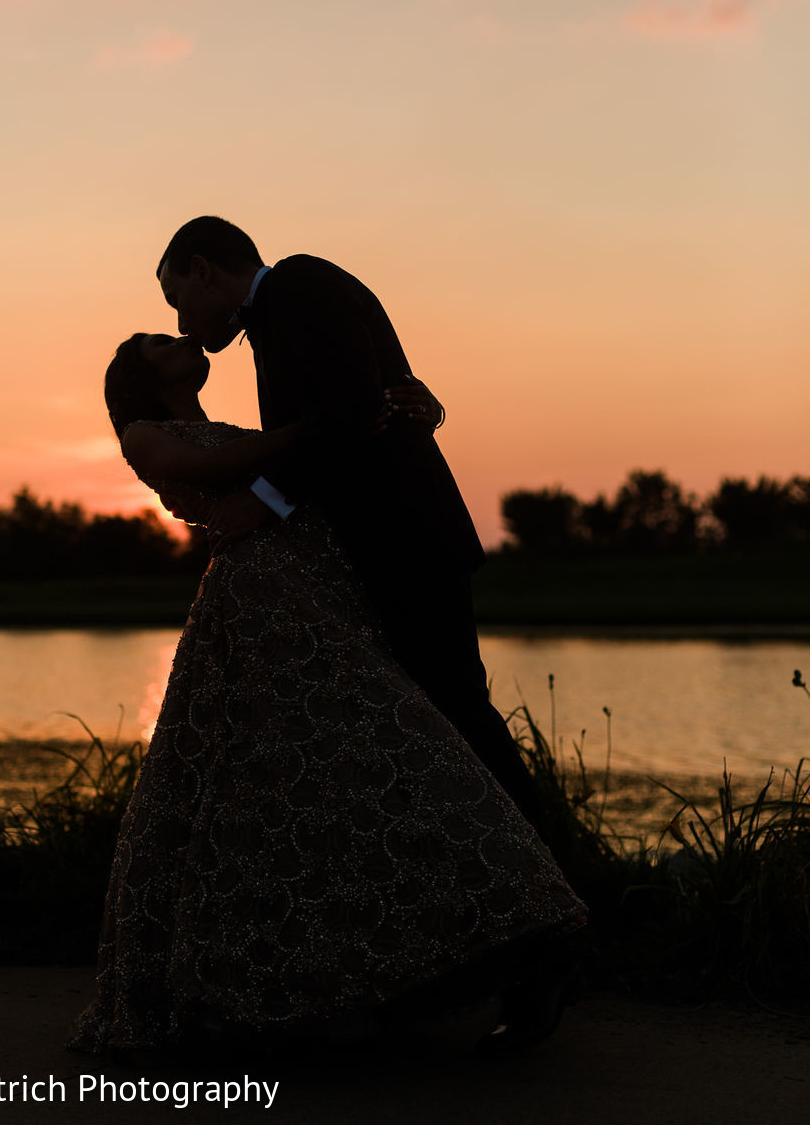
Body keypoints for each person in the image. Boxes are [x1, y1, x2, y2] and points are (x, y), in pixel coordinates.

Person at [66, 332, 585, 1055]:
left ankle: (476, 950)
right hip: (262, 615)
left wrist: (404, 416)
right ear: (140, 375)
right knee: (288, 786)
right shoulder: (146, 436)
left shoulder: (250, 427)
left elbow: (322, 466)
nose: (180, 332)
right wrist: (332, 421)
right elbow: (237, 463)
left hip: (322, 604)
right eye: (159, 339)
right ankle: (271, 991)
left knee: (360, 778)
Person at [155, 217, 543, 828]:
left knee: (457, 710)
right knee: (427, 718)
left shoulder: (299, 284)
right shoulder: (277, 312)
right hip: (375, 548)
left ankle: (554, 866)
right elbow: (343, 412)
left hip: (406, 538)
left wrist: (264, 499)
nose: (182, 324)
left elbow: (355, 408)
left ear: (202, 271)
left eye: (177, 300)